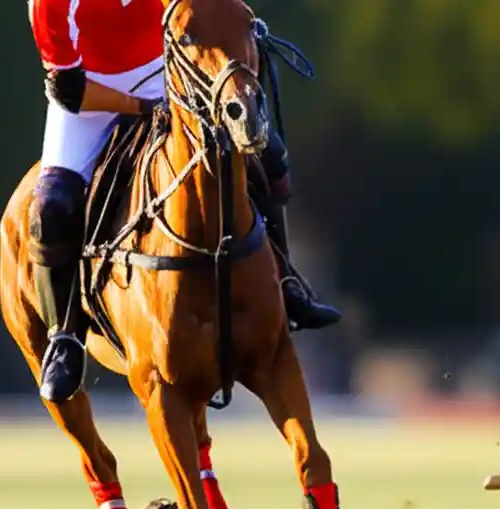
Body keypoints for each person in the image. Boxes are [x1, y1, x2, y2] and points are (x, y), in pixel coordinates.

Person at [27, 0, 340, 403]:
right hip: (90, 97)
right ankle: (64, 337)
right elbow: (68, 91)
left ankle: (286, 281)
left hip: (165, 73)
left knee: (268, 156)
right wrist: (143, 109)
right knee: (51, 207)